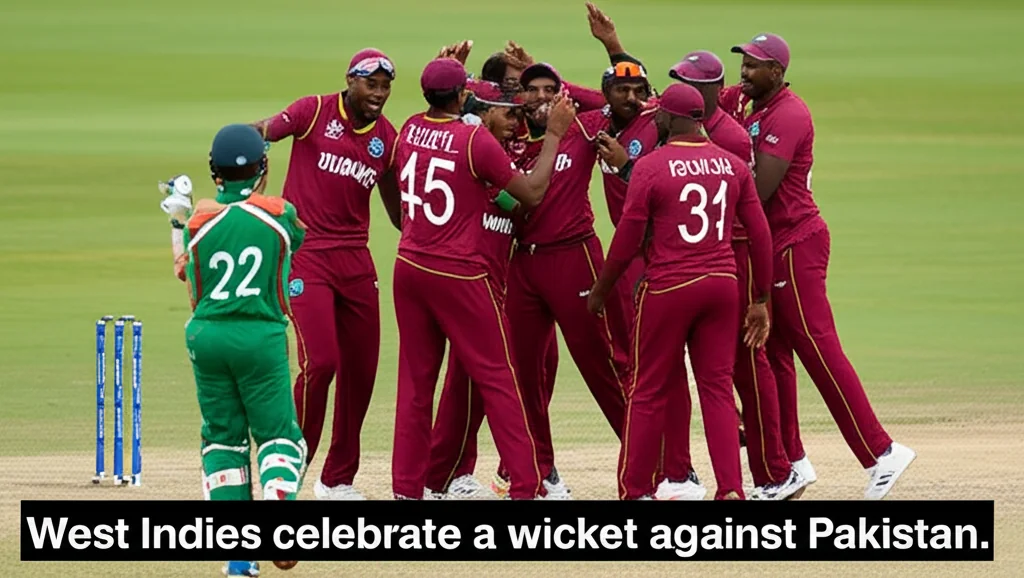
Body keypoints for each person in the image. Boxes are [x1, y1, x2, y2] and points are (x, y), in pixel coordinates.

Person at [726, 33, 915, 498]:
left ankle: (882, 452)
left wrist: (713, 172)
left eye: (754, 65)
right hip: (773, 245)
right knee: (773, 354)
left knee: (818, 349)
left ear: (778, 72)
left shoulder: (789, 113)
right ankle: (792, 462)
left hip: (795, 243)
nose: (744, 72)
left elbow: (762, 189)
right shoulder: (754, 107)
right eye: (743, 64)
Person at [390, 58, 575, 500]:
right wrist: (553, 136)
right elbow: (529, 194)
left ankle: (406, 491)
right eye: (506, 111)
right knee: (500, 378)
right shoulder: (474, 141)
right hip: (460, 273)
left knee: (415, 385)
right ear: (466, 101)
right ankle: (527, 488)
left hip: (410, 266)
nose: (514, 118)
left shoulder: (410, 128)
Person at [586, 84, 773, 500]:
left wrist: (601, 290)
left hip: (670, 285)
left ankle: (635, 491)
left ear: (669, 119)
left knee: (648, 389)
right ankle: (730, 491)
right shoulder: (732, 165)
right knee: (717, 389)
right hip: (723, 285)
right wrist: (760, 298)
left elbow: (628, 239)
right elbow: (759, 234)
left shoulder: (651, 167)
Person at [249, 48, 402, 501]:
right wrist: (236, 151)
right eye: (370, 84)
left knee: (362, 370)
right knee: (322, 363)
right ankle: (287, 467)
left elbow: (398, 212)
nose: (378, 94)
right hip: (308, 254)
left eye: (385, 86)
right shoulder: (312, 110)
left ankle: (337, 479)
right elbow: (264, 131)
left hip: (356, 261)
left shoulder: (386, 139)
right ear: (350, 80)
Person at [160, 124, 308, 576]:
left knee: (223, 440)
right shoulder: (279, 213)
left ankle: (239, 558)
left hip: (207, 338)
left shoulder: (199, 222)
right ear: (262, 170)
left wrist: (177, 219)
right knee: (279, 435)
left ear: (214, 172)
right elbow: (297, 234)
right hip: (259, 337)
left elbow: (183, 270)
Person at [664, 50, 808, 500]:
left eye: (688, 83)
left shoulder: (726, 138)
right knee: (732, 370)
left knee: (748, 363)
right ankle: (769, 471)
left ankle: (776, 471)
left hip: (733, 256)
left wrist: (760, 295)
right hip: (717, 259)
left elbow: (755, 221)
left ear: (708, 92)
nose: (682, 89)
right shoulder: (710, 120)